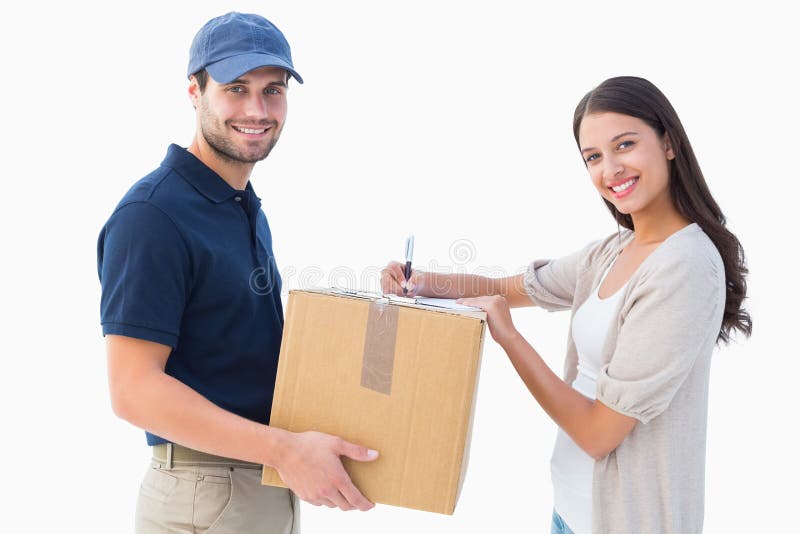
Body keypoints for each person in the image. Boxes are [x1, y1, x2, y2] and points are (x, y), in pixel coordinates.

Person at [381, 76, 751, 534]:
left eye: (625, 145)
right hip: (570, 512)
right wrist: (418, 283)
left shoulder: (685, 267)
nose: (610, 169)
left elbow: (599, 434)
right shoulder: (612, 252)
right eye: (593, 157)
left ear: (669, 143)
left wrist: (510, 340)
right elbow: (507, 288)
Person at [98, 12, 378, 534]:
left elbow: (235, 353)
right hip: (208, 490)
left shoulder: (238, 205)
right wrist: (286, 451)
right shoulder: (153, 217)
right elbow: (132, 390)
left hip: (256, 483)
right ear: (194, 92)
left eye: (273, 90)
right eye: (236, 88)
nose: (257, 110)